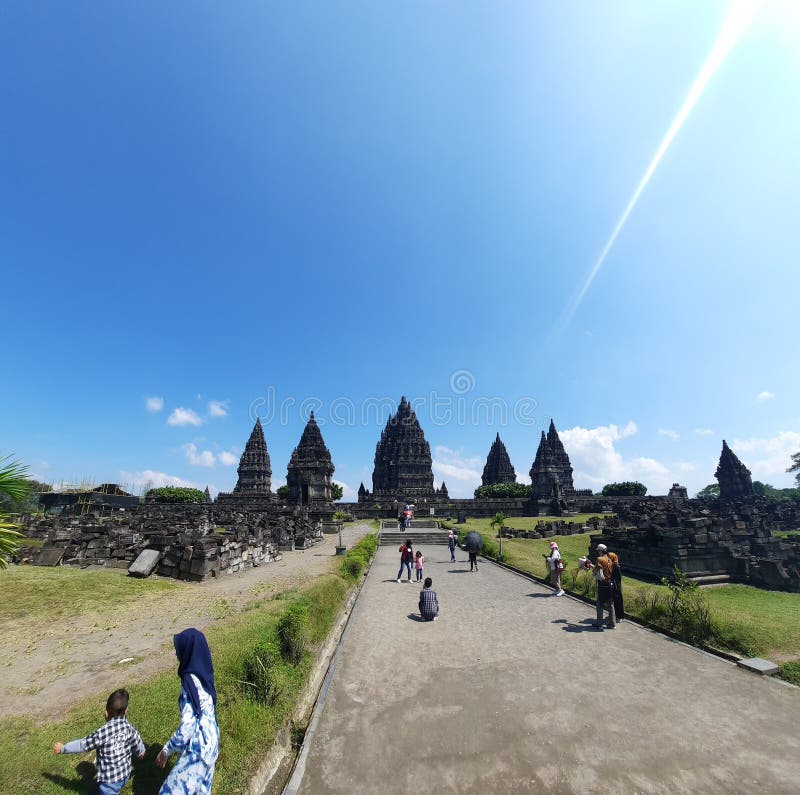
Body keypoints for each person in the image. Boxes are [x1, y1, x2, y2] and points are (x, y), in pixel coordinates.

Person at [156, 628, 220, 795]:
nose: (177, 653)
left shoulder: (189, 682)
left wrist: (165, 751)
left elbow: (188, 726)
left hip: (198, 749)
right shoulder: (205, 675)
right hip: (212, 743)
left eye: (179, 649)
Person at [53, 688, 145, 795]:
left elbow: (82, 745)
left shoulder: (102, 733)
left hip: (109, 782)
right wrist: (141, 752)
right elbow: (138, 743)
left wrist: (63, 748)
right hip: (125, 774)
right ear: (126, 710)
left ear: (106, 714)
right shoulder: (129, 728)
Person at [590, 544, 616, 628]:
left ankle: (599, 623)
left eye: (598, 551)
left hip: (603, 584)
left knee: (600, 604)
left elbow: (595, 571)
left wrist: (591, 567)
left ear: (600, 551)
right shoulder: (609, 559)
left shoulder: (599, 559)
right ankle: (612, 623)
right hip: (610, 583)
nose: (598, 552)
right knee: (610, 604)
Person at [608, 550, 624, 621]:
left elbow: (617, 578)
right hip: (613, 585)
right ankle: (615, 615)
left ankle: (619, 617)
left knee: (618, 601)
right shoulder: (612, 565)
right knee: (613, 601)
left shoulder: (616, 566)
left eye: (609, 558)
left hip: (616, 586)